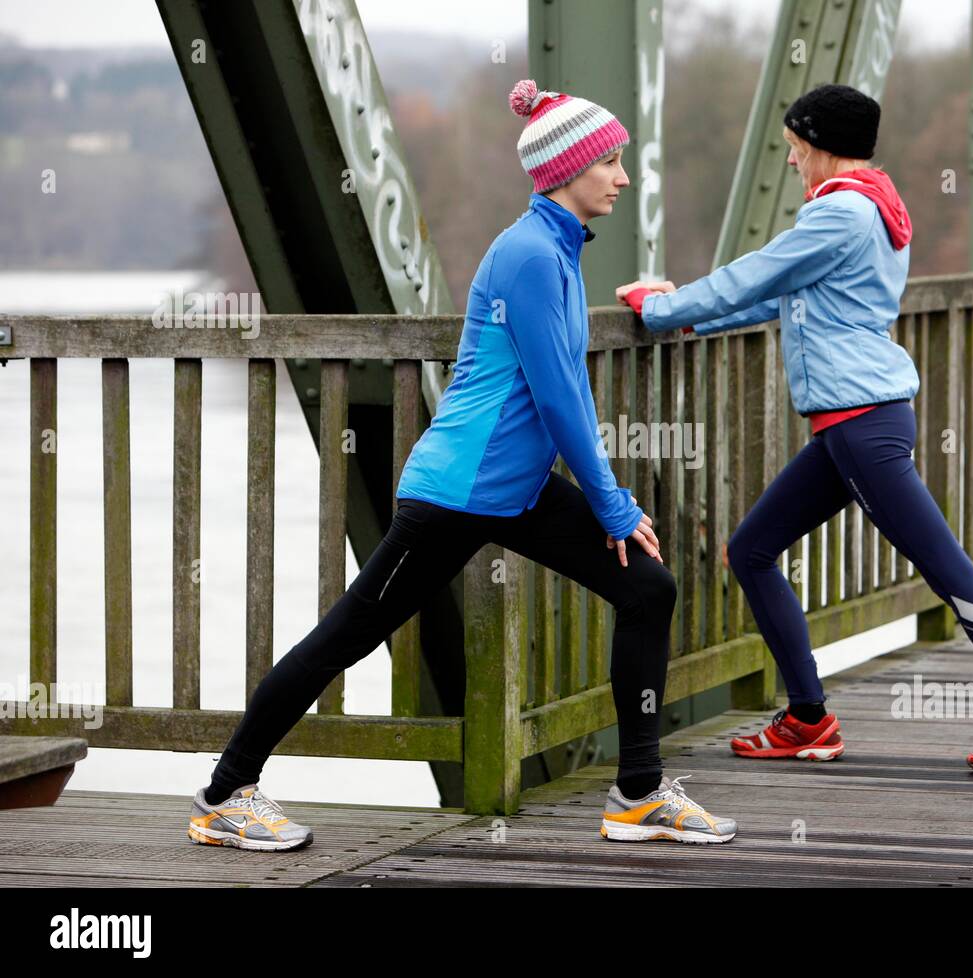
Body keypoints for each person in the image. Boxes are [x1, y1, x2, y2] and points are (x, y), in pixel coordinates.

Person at [187, 79, 738, 851]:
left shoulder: (555, 250)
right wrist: (613, 505)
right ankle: (224, 794)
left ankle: (639, 793)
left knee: (647, 585)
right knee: (349, 633)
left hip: (509, 491)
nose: (622, 177)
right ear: (569, 170)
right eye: (610, 162)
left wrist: (651, 309)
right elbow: (559, 401)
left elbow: (561, 379)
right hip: (458, 492)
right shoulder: (530, 256)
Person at [617, 84, 973, 776]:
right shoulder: (866, 205)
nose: (789, 162)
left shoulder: (839, 213)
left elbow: (755, 274)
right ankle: (808, 720)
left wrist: (661, 309)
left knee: (950, 574)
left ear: (817, 145)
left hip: (863, 427)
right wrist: (687, 316)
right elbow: (784, 298)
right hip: (855, 426)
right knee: (750, 550)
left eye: (792, 148)